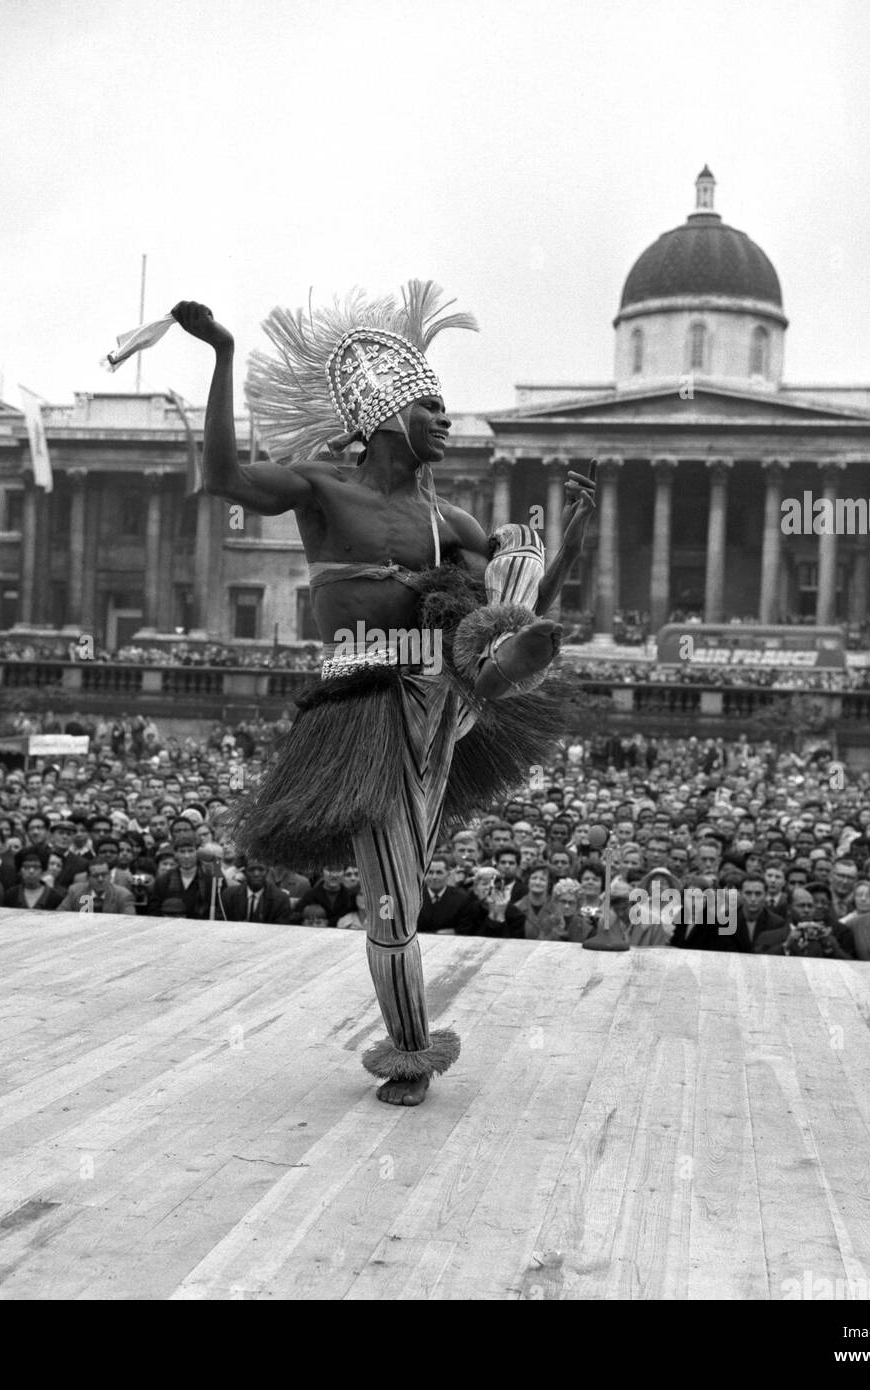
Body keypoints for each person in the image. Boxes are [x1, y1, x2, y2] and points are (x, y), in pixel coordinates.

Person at [175, 284, 595, 1106]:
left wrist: (568, 544)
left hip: (444, 690)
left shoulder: (454, 522)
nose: (446, 420)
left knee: (511, 581)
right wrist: (221, 356)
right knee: (395, 897)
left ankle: (515, 667)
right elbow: (221, 475)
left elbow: (530, 593)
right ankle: (409, 1047)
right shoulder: (325, 489)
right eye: (431, 408)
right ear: (387, 414)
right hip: (362, 700)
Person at [58, 859, 137, 914]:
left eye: (104, 875)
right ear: (88, 878)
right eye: (95, 876)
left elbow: (129, 922)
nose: (100, 879)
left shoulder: (123, 895)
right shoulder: (75, 891)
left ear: (109, 876)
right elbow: (60, 915)